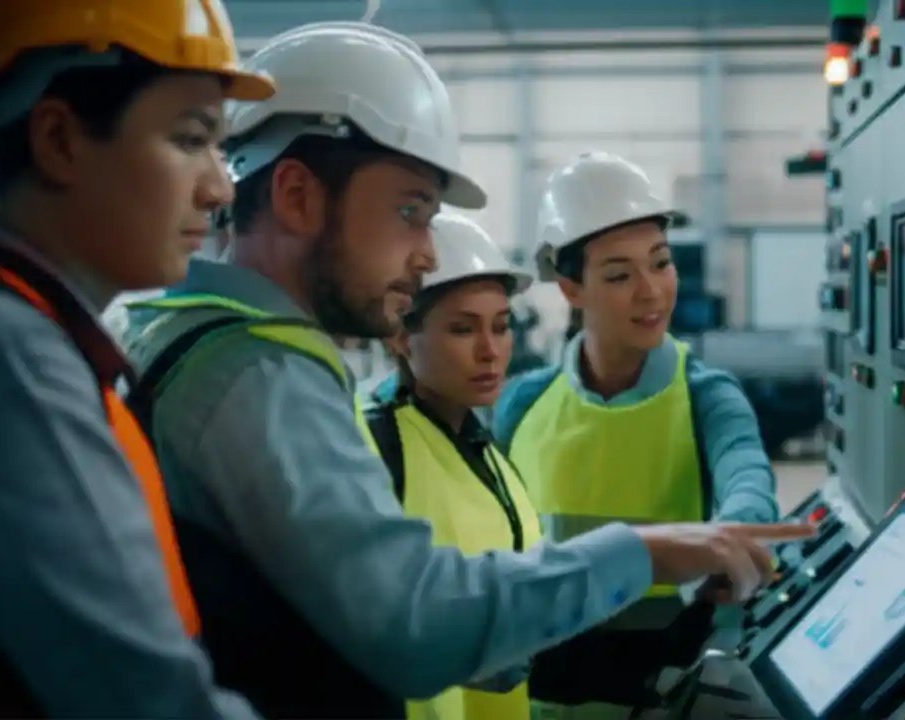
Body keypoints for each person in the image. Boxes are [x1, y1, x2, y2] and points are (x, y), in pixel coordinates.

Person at [119, 21, 814, 720]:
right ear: (298, 196)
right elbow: (413, 620)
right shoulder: (260, 379)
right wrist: (643, 554)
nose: (427, 255)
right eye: (410, 211)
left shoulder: (192, 340)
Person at [0, 1, 272, 717]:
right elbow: (147, 701)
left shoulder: (38, 340)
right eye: (192, 139)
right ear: (61, 139)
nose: (221, 187)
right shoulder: (6, 363)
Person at [493, 151, 782, 717]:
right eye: (620, 275)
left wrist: (737, 534)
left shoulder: (707, 396)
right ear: (571, 288)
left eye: (660, 263)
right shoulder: (521, 407)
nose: (652, 291)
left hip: (662, 696)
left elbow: (747, 473)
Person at [364, 213, 539, 720]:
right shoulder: (375, 447)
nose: (490, 351)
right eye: (463, 329)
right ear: (400, 337)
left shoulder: (486, 451)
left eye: (501, 327)